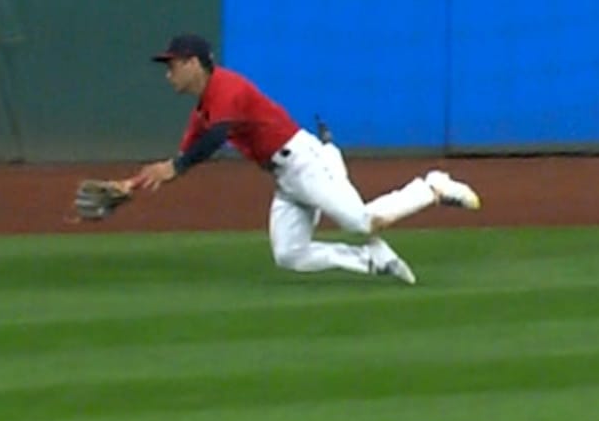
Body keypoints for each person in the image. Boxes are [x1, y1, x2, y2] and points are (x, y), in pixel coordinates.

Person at [126, 34, 481, 284]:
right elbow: (182, 157)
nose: (168, 72)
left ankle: (431, 186)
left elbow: (214, 139)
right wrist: (129, 186)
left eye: (172, 64)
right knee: (289, 254)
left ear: (193, 63)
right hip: (286, 178)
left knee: (363, 222)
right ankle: (372, 259)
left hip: (302, 163)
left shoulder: (226, 88)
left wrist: (176, 167)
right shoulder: (203, 108)